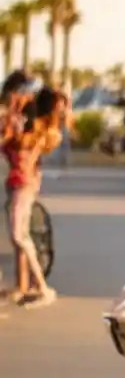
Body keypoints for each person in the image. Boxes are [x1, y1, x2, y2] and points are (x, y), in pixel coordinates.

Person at [2, 80, 59, 308]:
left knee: (19, 236)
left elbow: (31, 141)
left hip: (24, 186)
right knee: (19, 237)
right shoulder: (18, 137)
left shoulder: (34, 136)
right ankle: (31, 286)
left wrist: (15, 116)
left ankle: (43, 287)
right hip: (17, 185)